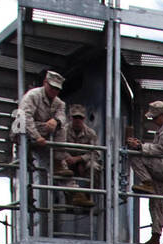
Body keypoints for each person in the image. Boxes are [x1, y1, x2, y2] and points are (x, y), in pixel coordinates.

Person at [12, 69, 65, 224]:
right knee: (21, 122)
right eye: (52, 87)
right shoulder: (32, 96)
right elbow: (24, 117)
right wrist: (37, 137)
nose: (54, 91)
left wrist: (57, 121)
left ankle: (59, 161)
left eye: (57, 89)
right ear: (45, 83)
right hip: (23, 132)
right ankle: (24, 154)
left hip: (42, 130)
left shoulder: (59, 103)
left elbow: (62, 115)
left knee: (63, 126)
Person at [127, 101, 163, 244]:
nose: (153, 121)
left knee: (134, 156)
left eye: (155, 118)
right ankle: (156, 236)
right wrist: (142, 146)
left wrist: (140, 147)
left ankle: (146, 182)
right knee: (157, 203)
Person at [55, 104, 101, 208]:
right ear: (70, 118)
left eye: (80, 118)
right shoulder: (63, 131)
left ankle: (87, 195)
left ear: (84, 119)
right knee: (59, 165)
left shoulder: (90, 133)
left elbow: (96, 152)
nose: (77, 120)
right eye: (75, 117)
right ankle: (71, 194)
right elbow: (58, 148)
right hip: (67, 161)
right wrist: (69, 158)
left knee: (95, 166)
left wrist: (79, 159)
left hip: (82, 163)